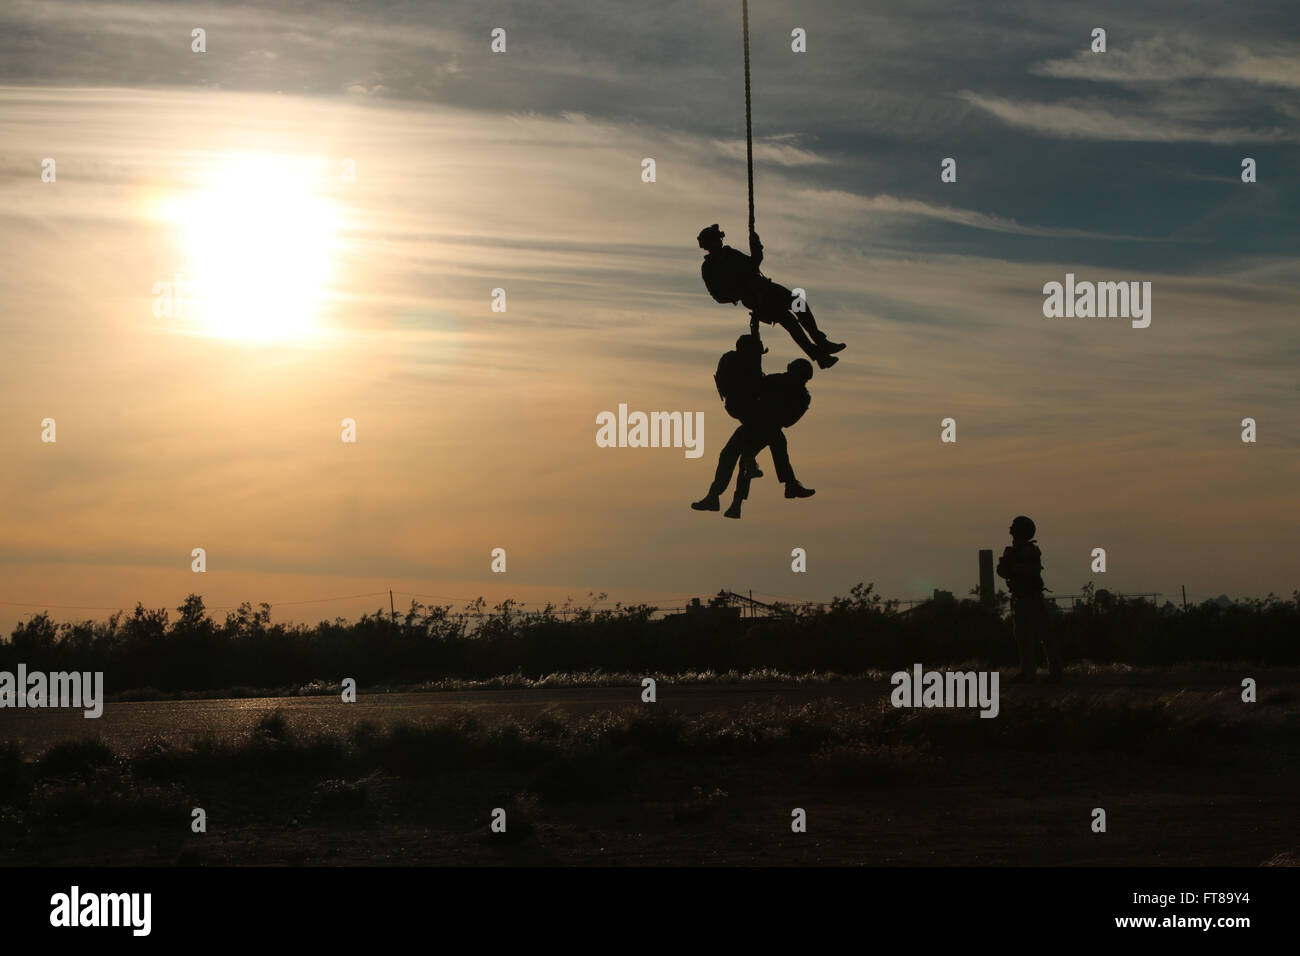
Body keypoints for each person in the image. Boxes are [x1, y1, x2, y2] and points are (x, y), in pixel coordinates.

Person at [697, 224, 844, 370]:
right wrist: (742, 292)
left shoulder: (730, 253)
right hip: (754, 299)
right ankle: (820, 357)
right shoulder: (709, 268)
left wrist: (756, 245)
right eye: (717, 240)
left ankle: (821, 342)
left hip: (765, 287)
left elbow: (753, 264)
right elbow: (718, 296)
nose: (720, 242)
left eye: (719, 239)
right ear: (709, 244)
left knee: (799, 303)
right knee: (790, 321)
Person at [692, 357, 816, 519]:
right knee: (738, 458)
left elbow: (786, 419)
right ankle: (722, 499)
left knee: (739, 459)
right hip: (758, 425)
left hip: (761, 426)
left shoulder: (789, 388)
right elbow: (755, 389)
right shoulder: (790, 388)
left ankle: (724, 499)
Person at [996, 515, 1062, 682]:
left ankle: (1055, 671)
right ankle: (1027, 672)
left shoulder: (1029, 551)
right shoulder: (1011, 551)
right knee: (1022, 636)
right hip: (1019, 597)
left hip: (1031, 598)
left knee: (1043, 634)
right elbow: (1002, 571)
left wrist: (1014, 568)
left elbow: (1031, 572)